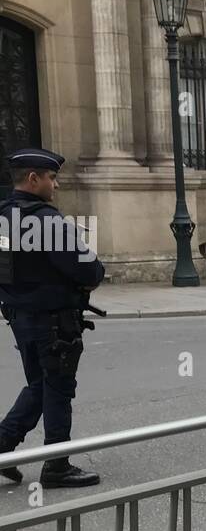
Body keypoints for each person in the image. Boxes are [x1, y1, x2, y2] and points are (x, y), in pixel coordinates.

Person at [0, 148, 104, 489]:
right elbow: (90, 270)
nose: (56, 185)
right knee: (58, 388)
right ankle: (57, 464)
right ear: (34, 179)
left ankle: (3, 447)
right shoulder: (48, 222)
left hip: (19, 317)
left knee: (39, 385)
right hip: (54, 322)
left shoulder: (3, 217)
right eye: (52, 178)